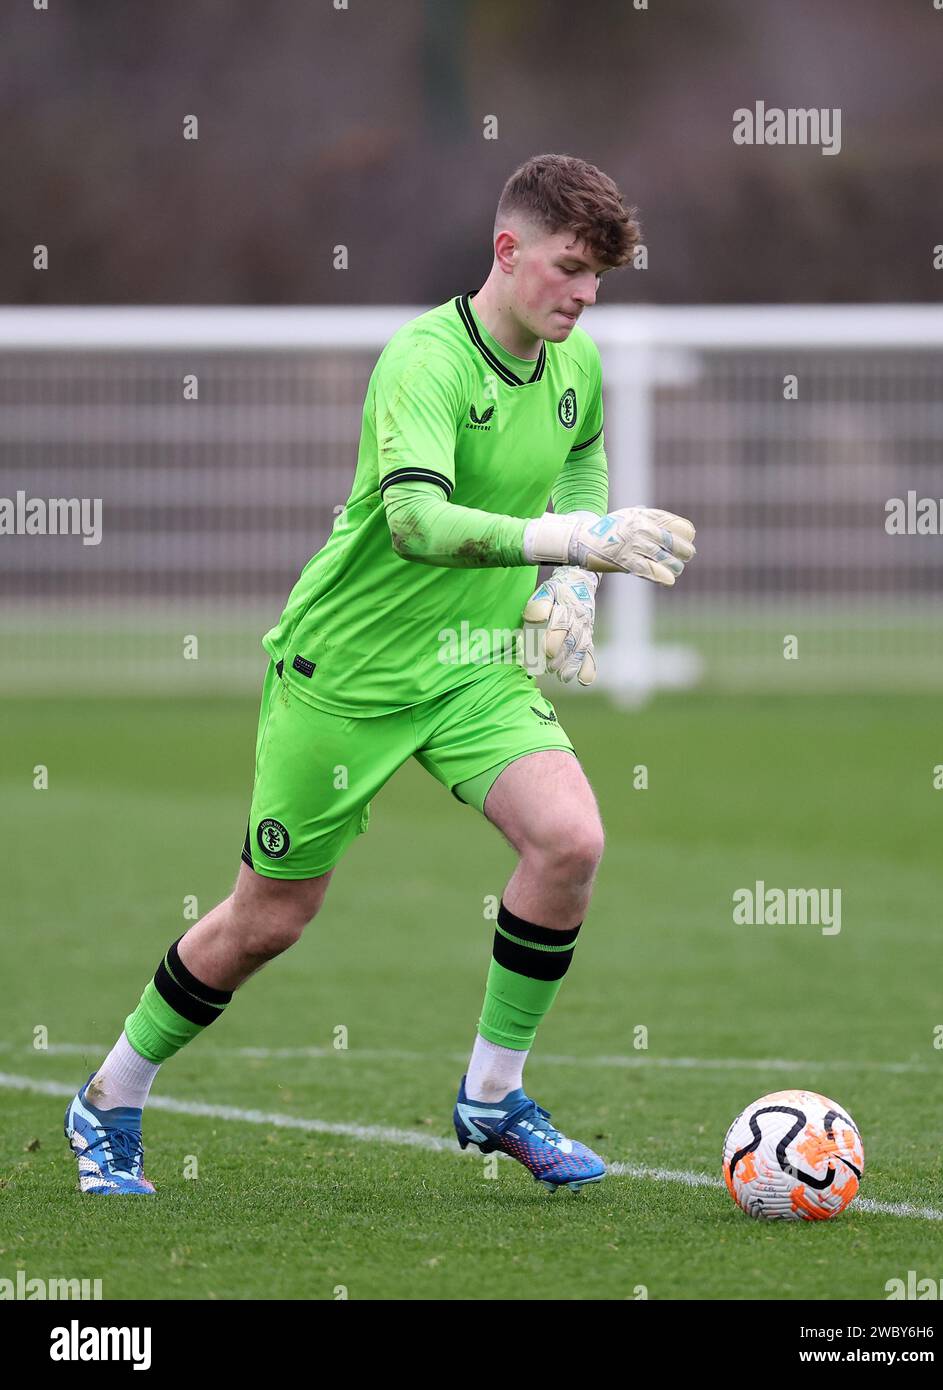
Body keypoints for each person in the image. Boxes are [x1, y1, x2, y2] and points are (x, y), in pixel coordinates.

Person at [65, 152, 695, 1195]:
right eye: (572, 269)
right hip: (345, 675)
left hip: (469, 669)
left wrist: (574, 582)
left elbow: (581, 458)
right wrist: (571, 541)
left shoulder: (573, 359)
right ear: (509, 250)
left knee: (571, 840)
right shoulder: (424, 361)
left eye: (600, 279)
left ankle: (494, 1095)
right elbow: (416, 521)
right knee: (269, 918)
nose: (586, 296)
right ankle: (110, 1095)